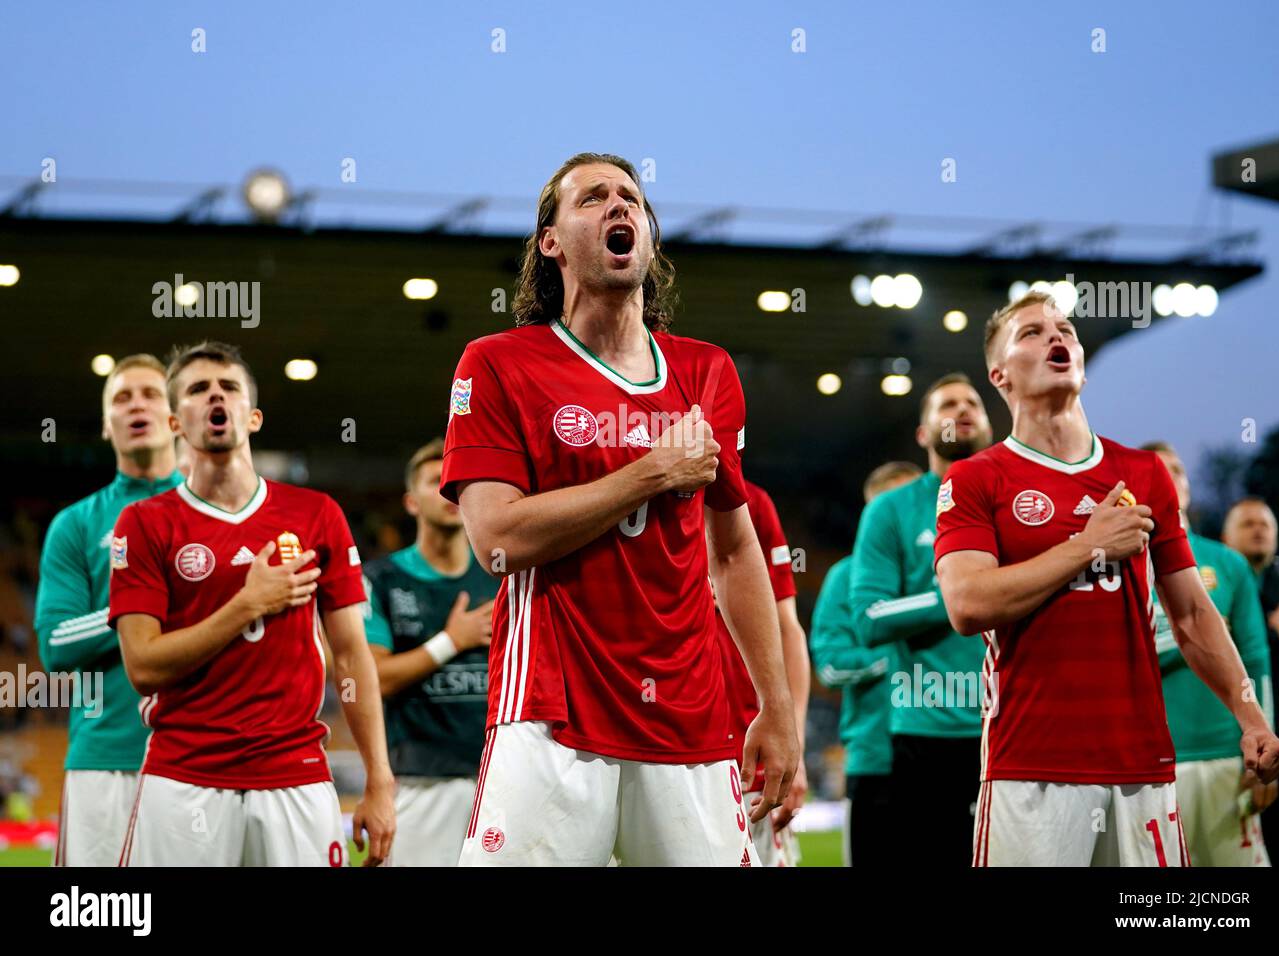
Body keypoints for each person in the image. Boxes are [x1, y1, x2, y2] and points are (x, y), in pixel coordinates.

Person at [442, 152, 799, 866]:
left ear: (649, 236)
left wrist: (776, 704)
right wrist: (648, 474)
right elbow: (496, 541)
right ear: (550, 242)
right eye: (592, 198)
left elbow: (733, 553)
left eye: (631, 198)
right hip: (549, 713)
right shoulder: (497, 363)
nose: (618, 207)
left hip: (692, 719)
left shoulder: (707, 371)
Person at [934, 291, 1279, 866]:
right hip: (1030, 766)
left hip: (1142, 766)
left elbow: (1195, 614)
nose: (1057, 337)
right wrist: (1088, 545)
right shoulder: (977, 477)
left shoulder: (1143, 474)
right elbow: (968, 602)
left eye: (1065, 330)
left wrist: (1251, 719)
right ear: (999, 375)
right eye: (1031, 332)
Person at [108, 341, 396, 866]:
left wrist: (379, 780)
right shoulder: (145, 523)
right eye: (197, 389)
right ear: (176, 422)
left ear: (253, 415)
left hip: (295, 773)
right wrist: (249, 603)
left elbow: (353, 656)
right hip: (182, 776)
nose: (215, 396)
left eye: (229, 388)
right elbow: (144, 667)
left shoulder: (317, 514)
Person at [35, 354, 182, 865]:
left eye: (150, 394)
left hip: (204, 757)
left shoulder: (216, 511)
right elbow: (54, 646)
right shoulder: (75, 525)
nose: (136, 405)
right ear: (106, 424)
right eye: (122, 398)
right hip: (104, 763)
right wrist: (144, 605)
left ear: (175, 417)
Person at [849, 373, 993, 865]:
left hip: (1015, 724)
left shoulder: (1023, 502)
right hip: (927, 732)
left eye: (973, 401)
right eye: (946, 405)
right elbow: (868, 619)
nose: (962, 409)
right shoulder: (891, 510)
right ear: (923, 433)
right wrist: (960, 595)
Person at [362, 439, 496, 866]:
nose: (448, 490)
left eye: (457, 481)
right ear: (411, 502)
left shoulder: (503, 572)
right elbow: (374, 678)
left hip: (502, 775)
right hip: (420, 778)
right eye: (435, 481)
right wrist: (452, 640)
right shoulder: (382, 579)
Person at [1142, 443, 1272, 865]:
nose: (1171, 476)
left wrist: (1263, 750)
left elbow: (1256, 663)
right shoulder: (1119, 566)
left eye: (1178, 469)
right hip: (1150, 766)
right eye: (1158, 470)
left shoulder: (1228, 564)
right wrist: (1198, 637)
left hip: (1227, 758)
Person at [810, 460, 920, 866]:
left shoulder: (954, 568)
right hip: (878, 758)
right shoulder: (848, 575)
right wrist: (897, 656)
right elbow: (831, 665)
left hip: (954, 755)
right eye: (890, 504)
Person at [714, 479, 808, 867]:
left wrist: (793, 739)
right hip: (651, 743)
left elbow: (788, 628)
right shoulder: (623, 485)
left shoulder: (749, 503)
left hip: (747, 757)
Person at [1224, 497, 1279, 865]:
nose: (1258, 530)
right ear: (1226, 537)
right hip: (1241, 739)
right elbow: (1213, 649)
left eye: (1265, 524)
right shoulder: (1216, 583)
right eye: (1247, 523)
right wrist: (1275, 634)